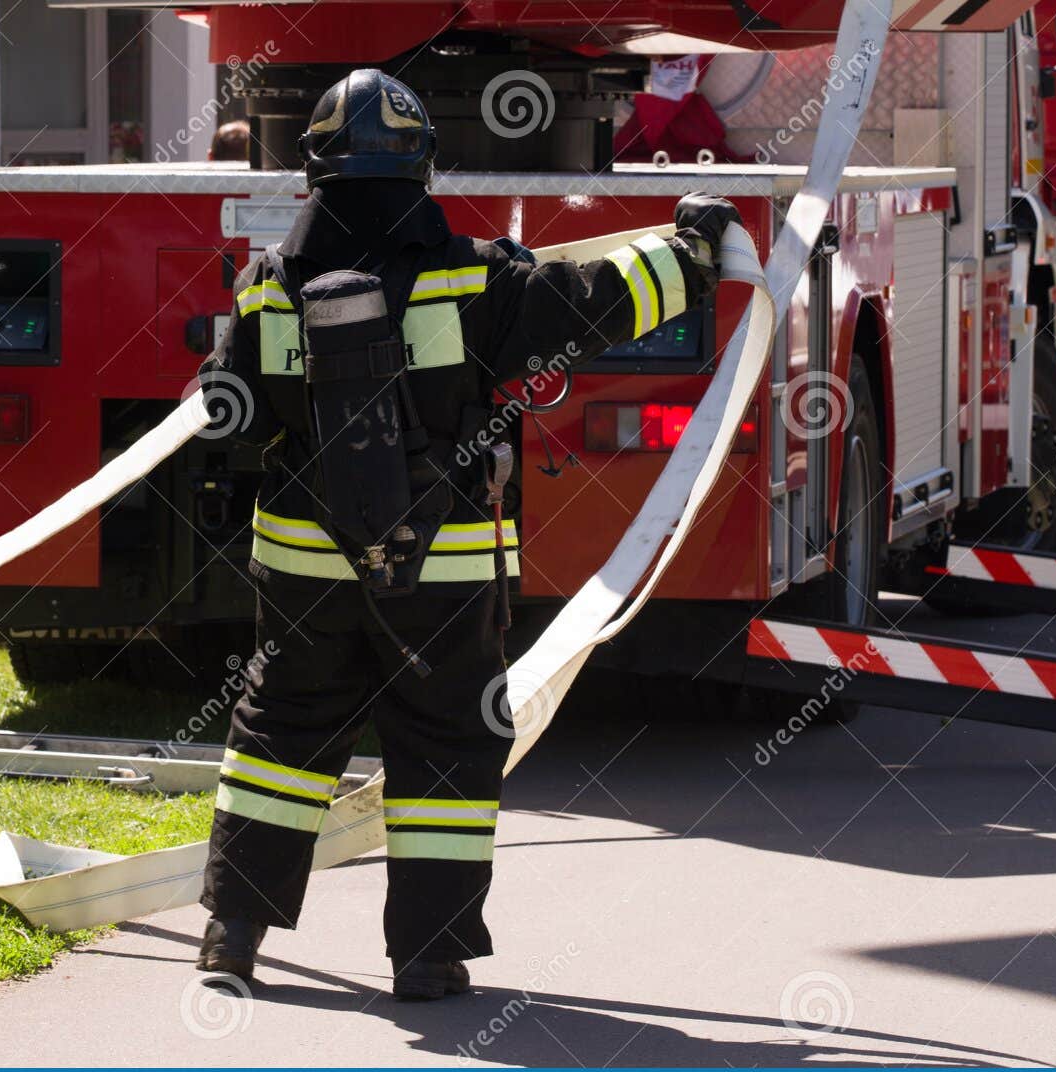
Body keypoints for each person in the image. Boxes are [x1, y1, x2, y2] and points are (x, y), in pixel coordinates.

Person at [193, 68, 740, 1000]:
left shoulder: (266, 288)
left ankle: (231, 934)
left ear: (313, 167)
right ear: (423, 168)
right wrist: (696, 250)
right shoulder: (480, 279)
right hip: (439, 572)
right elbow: (596, 302)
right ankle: (429, 955)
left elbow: (227, 414)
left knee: (280, 735)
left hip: (301, 568)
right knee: (444, 744)